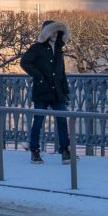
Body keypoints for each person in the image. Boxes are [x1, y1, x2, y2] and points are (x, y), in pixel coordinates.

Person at [18, 19, 72, 161]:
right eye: (52, 32)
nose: (54, 34)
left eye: (56, 32)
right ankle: (34, 151)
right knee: (38, 121)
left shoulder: (59, 48)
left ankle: (65, 150)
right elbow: (24, 62)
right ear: (46, 33)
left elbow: (62, 72)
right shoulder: (37, 48)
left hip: (57, 91)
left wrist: (65, 92)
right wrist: (38, 76)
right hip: (42, 90)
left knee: (62, 120)